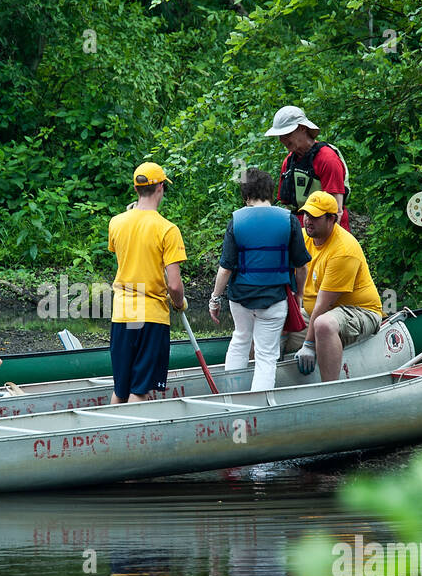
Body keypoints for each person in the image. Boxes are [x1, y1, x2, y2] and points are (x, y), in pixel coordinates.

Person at [209, 166, 310, 391]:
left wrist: (215, 299)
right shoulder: (290, 220)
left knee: (240, 340)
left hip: (240, 299)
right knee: (266, 355)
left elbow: (225, 269)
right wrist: (299, 294)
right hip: (275, 299)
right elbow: (301, 266)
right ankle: (258, 407)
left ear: (245, 196)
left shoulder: (236, 220)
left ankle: (232, 398)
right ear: (271, 193)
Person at [107, 162, 187, 404]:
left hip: (122, 314)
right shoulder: (167, 229)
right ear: (161, 187)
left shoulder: (116, 222)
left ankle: (113, 437)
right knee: (140, 390)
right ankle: (132, 441)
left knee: (121, 390)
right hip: (150, 316)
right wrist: (179, 303)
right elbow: (174, 285)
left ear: (136, 189)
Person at [291, 191, 383, 382]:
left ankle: (330, 389)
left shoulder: (343, 250)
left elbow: (323, 306)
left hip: (360, 311)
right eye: (307, 214)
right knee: (272, 321)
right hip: (316, 312)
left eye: (315, 217)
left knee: (323, 325)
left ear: (332, 219)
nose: (308, 220)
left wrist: (308, 344)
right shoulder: (301, 238)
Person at [264, 105, 352, 232]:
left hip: (326, 231)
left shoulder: (327, 159)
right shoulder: (289, 162)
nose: (282, 140)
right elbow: (289, 207)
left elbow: (336, 211)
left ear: (302, 128)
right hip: (300, 232)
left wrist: (325, 244)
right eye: (280, 135)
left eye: (286, 134)